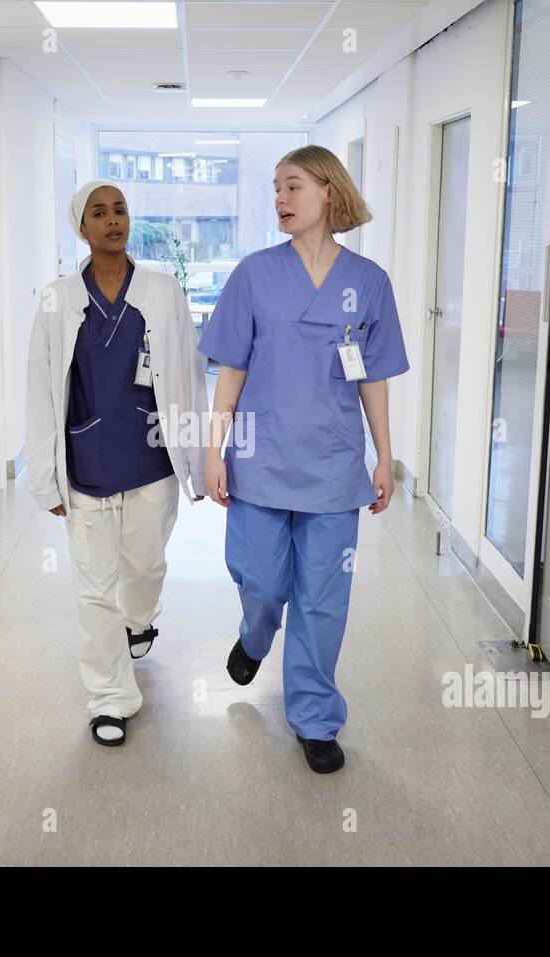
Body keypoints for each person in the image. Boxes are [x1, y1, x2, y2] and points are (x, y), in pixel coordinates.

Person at [198, 146, 410, 773]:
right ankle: (255, 635)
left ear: (328, 193)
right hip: (259, 459)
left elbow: (372, 376)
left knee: (323, 597)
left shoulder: (368, 283)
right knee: (260, 580)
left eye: (292, 186)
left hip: (333, 464)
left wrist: (385, 454)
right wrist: (214, 448)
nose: (281, 200)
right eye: (275, 188)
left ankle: (315, 717)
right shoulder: (255, 274)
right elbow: (230, 367)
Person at [26, 179, 207, 746]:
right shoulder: (58, 297)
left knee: (146, 568)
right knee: (94, 589)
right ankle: (110, 697)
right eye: (99, 213)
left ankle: (140, 617)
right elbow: (40, 388)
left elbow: (188, 377)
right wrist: (44, 477)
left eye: (120, 210)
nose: (112, 220)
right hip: (87, 464)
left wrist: (199, 458)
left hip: (151, 459)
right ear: (81, 227)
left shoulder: (162, 289)